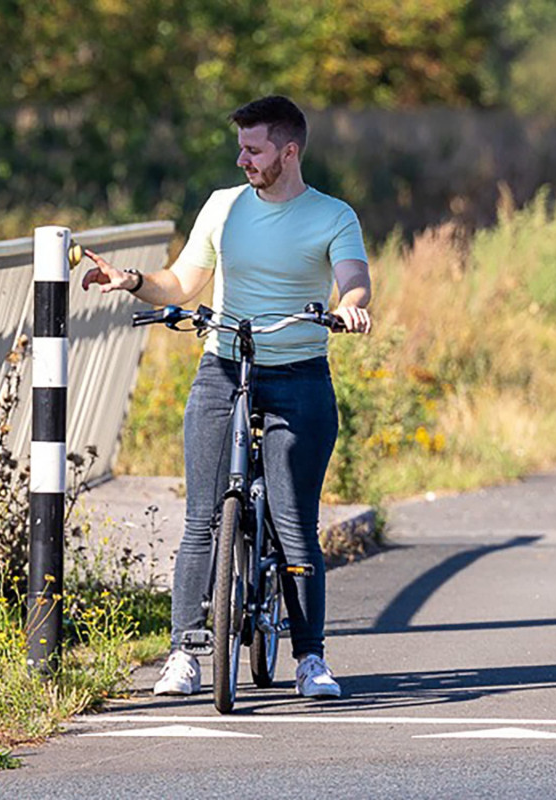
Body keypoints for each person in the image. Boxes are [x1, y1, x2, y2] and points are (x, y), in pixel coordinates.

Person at [82, 95, 371, 699]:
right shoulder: (223, 208)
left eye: (254, 149)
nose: (242, 159)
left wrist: (350, 309)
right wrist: (131, 280)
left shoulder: (333, 216)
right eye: (240, 147)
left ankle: (310, 658)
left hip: (299, 377)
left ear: (288, 153)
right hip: (223, 367)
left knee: (296, 526)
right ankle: (186, 654)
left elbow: (353, 279)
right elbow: (183, 282)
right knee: (201, 523)